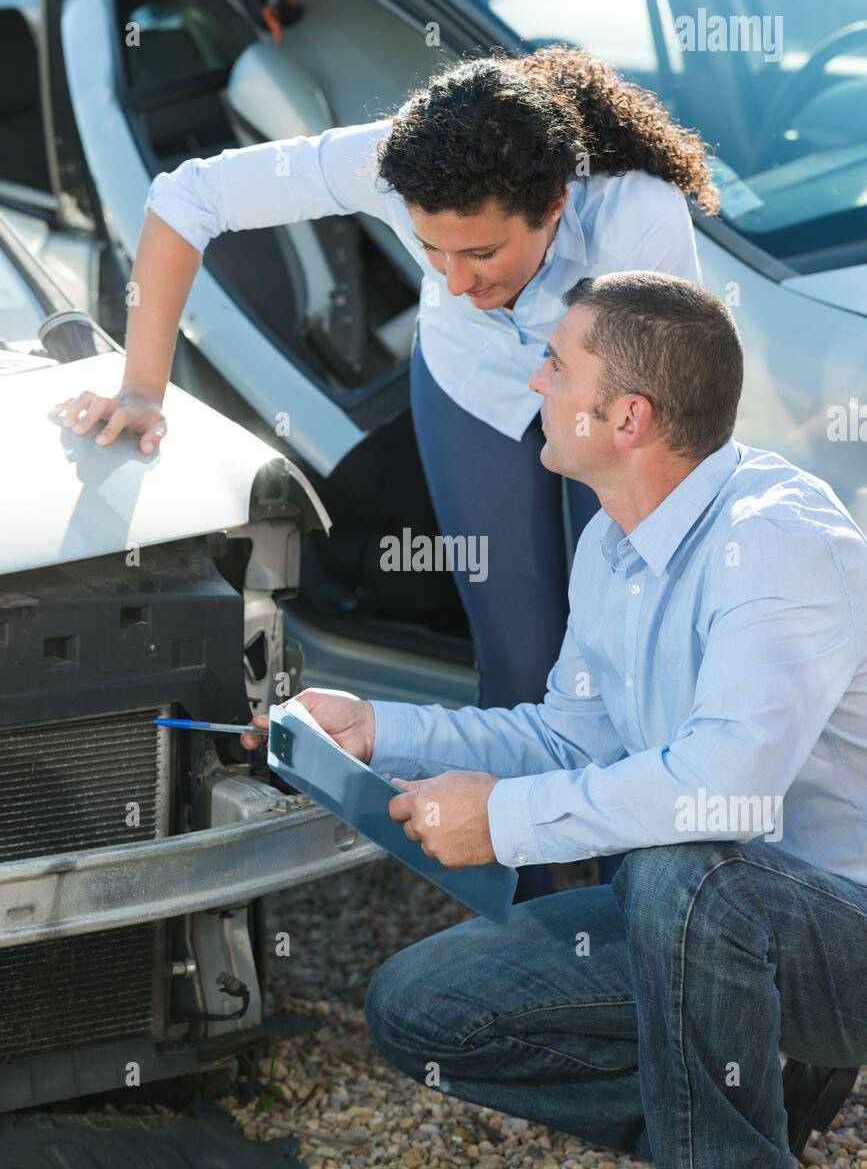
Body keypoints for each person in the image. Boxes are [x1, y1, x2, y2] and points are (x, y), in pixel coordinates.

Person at [241, 271, 867, 1169]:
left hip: (836, 931)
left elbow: (724, 784)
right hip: (708, 931)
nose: (535, 384)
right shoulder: (615, 540)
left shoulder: (779, 543)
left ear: (626, 419)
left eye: (554, 365)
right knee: (421, 1007)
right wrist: (382, 730)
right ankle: (755, 1096)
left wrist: (504, 821)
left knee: (677, 867)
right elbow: (568, 737)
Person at [48, 47, 714, 899]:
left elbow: (658, 417)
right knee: (519, 660)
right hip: (470, 389)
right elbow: (186, 195)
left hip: (612, 399)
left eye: (480, 253)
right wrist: (143, 385)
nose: (455, 277)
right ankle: (540, 919)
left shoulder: (640, 216)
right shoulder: (386, 159)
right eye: (433, 252)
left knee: (630, 655)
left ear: (551, 206)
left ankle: (643, 910)